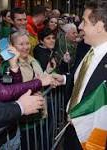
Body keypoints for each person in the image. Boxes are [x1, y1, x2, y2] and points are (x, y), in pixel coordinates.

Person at [55, 1, 107, 149]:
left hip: (93, 138)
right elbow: (84, 78)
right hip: (72, 129)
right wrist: (65, 79)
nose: (80, 27)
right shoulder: (88, 49)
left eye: (84, 21)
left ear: (99, 26)